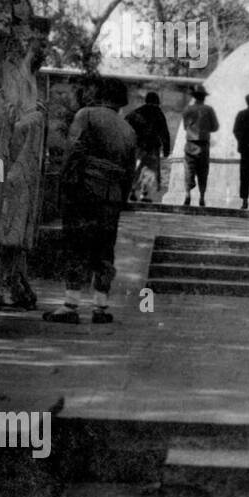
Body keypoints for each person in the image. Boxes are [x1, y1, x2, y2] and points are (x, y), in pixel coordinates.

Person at [43, 77, 137, 325]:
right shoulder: (128, 129)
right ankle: (100, 307)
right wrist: (121, 199)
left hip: (85, 190)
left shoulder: (86, 115)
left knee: (76, 245)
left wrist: (65, 183)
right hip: (112, 196)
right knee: (105, 249)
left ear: (100, 95)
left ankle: (70, 305)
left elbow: (73, 151)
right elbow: (130, 171)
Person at [125, 90, 171, 203]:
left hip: (138, 146)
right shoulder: (158, 113)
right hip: (152, 147)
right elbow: (164, 132)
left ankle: (132, 191)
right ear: (157, 101)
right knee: (149, 170)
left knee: (136, 168)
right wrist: (166, 149)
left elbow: (126, 125)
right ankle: (144, 194)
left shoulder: (136, 113)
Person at [181, 85, 219, 207]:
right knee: (203, 171)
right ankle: (202, 196)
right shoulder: (209, 110)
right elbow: (215, 127)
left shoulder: (188, 109)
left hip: (190, 143)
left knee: (189, 169)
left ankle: (187, 194)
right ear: (204, 97)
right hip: (203, 145)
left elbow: (185, 126)